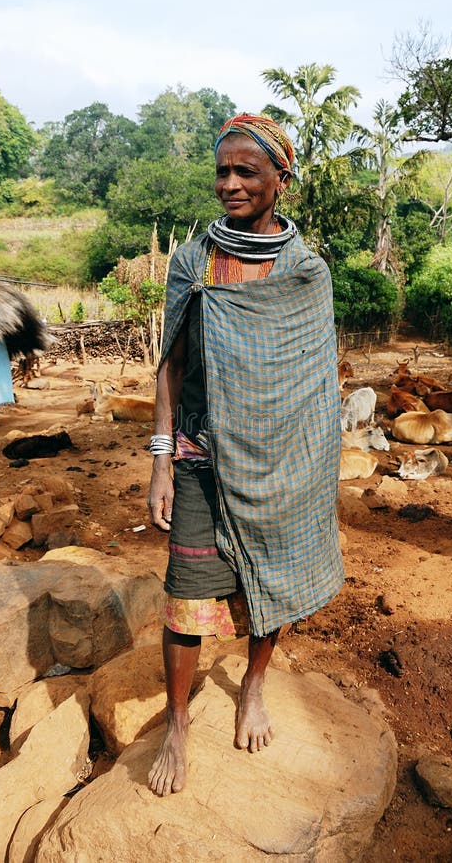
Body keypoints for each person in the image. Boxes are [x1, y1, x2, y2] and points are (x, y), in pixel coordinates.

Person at [147, 113, 343, 796]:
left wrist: (312, 468)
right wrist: (160, 459)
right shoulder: (193, 261)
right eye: (222, 172)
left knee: (276, 579)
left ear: (279, 182)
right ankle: (177, 724)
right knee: (184, 599)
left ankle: (254, 685)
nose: (229, 184)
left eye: (246, 172)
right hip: (200, 453)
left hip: (284, 459)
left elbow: (315, 382)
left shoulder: (303, 272)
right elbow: (170, 366)